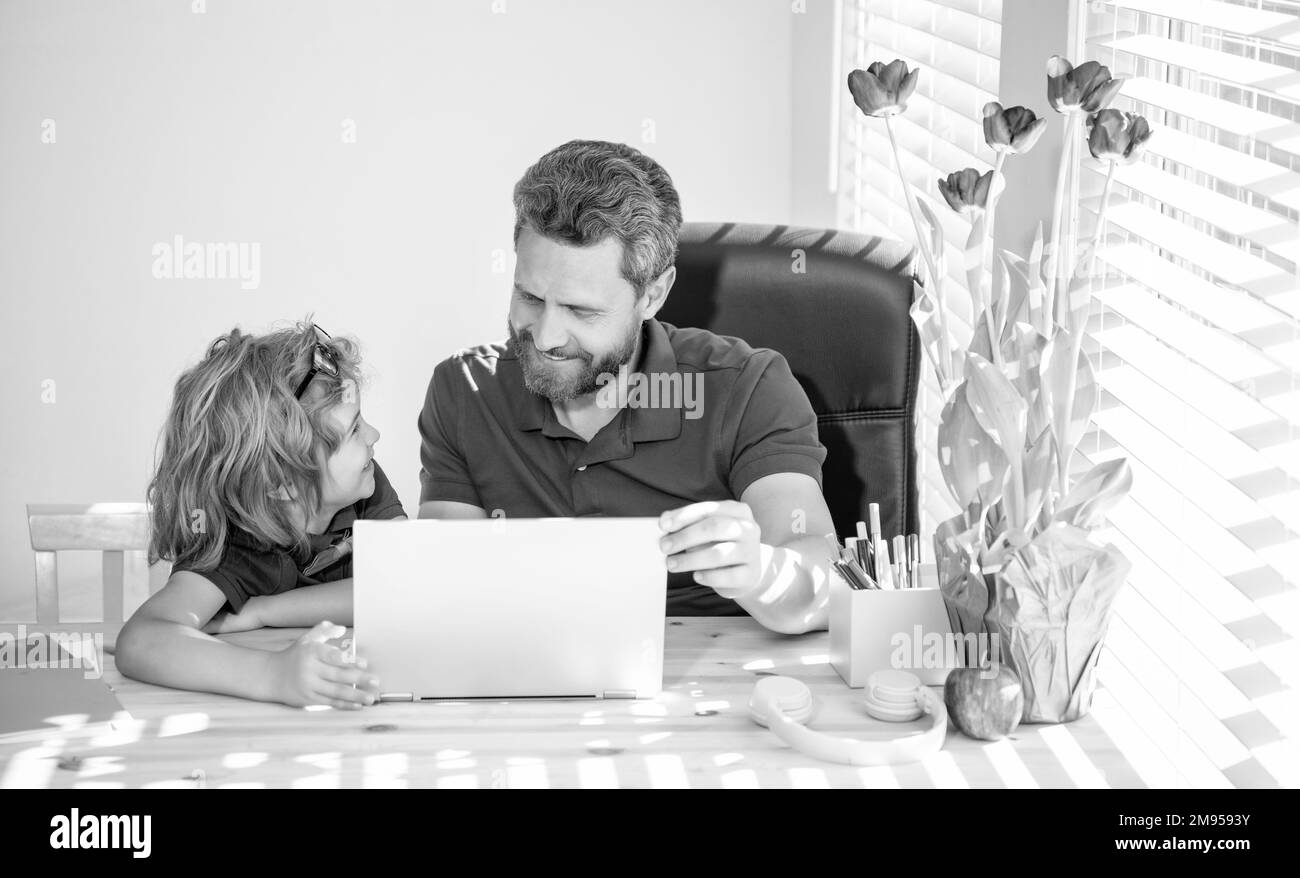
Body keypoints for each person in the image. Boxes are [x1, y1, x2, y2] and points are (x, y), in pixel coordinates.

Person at [418, 140, 836, 633]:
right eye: (530, 297)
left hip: (708, 684)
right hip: (525, 675)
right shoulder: (465, 391)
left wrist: (761, 572)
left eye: (581, 310)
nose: (546, 336)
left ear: (653, 295)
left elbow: (820, 578)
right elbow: (446, 593)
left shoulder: (747, 389)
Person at [116, 321, 401, 708]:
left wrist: (263, 611)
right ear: (282, 481)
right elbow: (142, 640)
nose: (374, 436)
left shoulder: (364, 484)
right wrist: (273, 675)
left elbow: (403, 589)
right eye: (354, 431)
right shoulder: (236, 543)